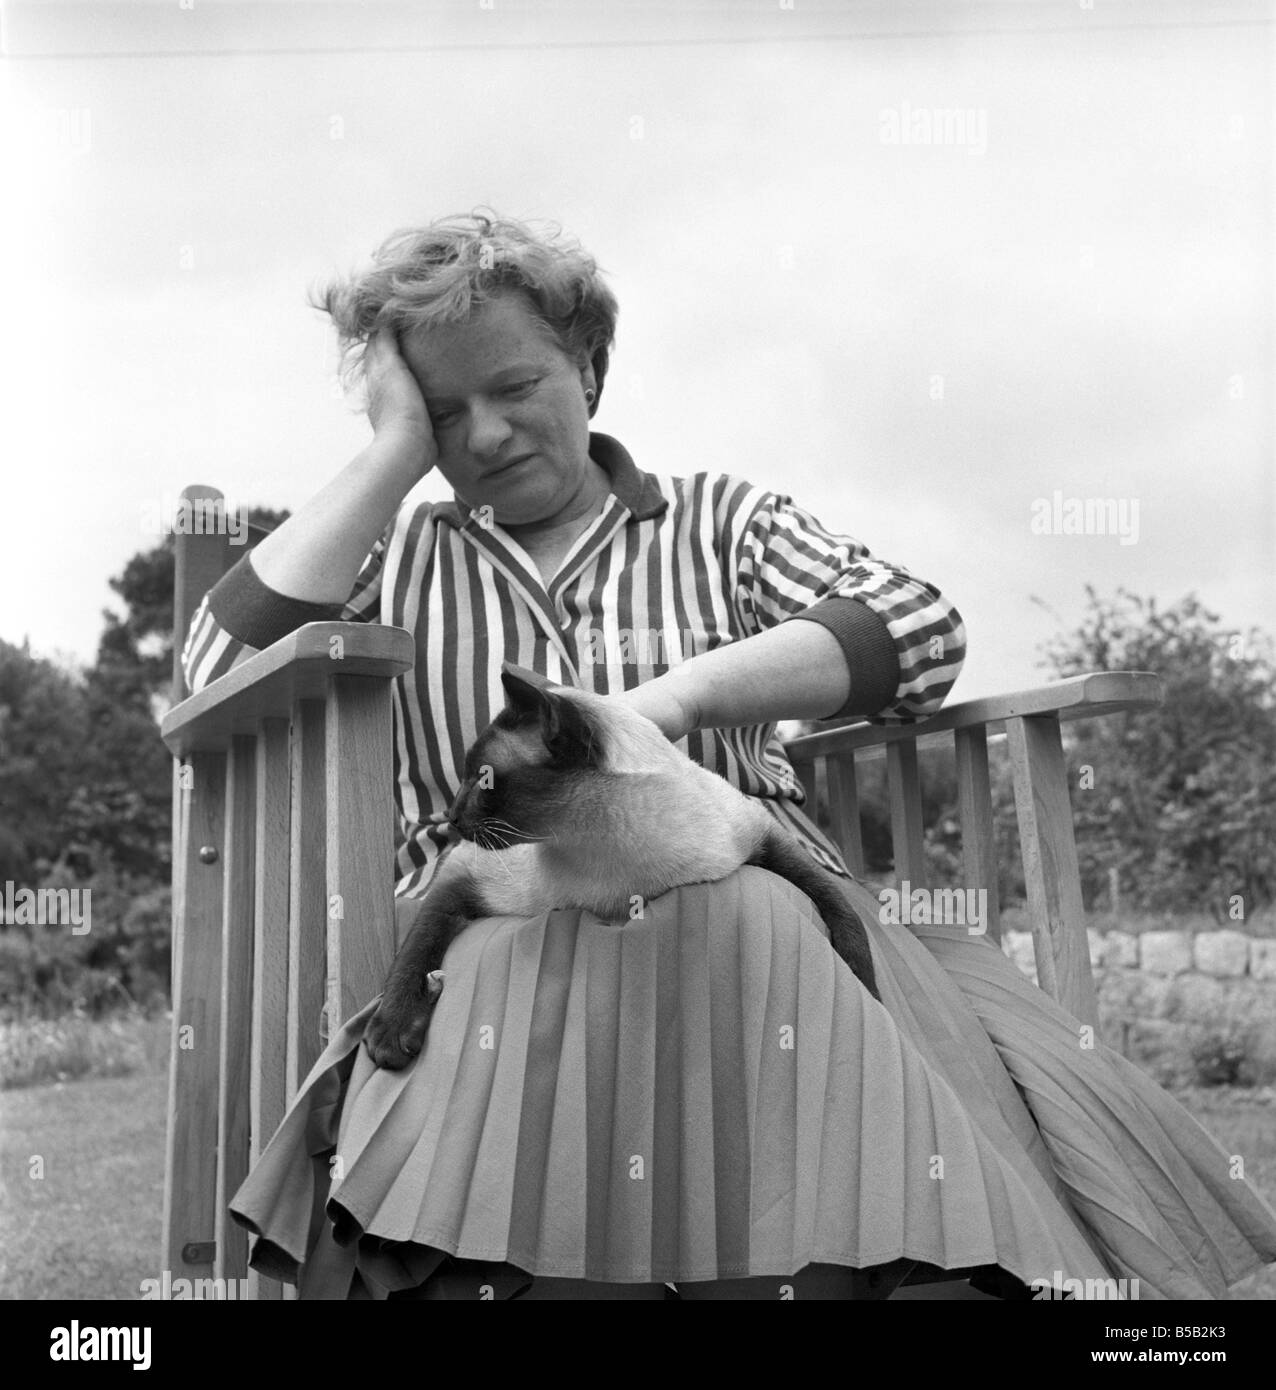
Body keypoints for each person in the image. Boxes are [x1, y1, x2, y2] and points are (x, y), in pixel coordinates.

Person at [183, 212, 1276, 1300]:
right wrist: (388, 456)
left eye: (514, 387)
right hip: (506, 931)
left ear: (590, 366)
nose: (485, 437)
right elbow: (210, 670)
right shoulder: (401, 554)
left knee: (740, 917)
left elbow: (918, 623)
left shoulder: (719, 524)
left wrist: (669, 700)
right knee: (552, 978)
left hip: (760, 921)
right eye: (443, 413)